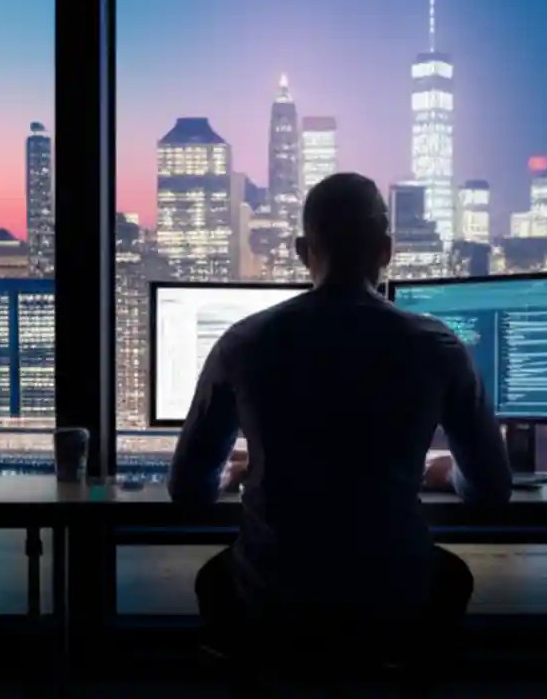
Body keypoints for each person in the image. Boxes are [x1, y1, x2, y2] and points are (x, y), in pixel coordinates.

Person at [168, 171, 512, 659]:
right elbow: (492, 490)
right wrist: (436, 471)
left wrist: (236, 473)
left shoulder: (243, 343)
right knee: (450, 578)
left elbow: (187, 490)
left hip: (272, 601)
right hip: (396, 600)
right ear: (386, 251)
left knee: (216, 580)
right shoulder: (436, 346)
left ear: (301, 249)